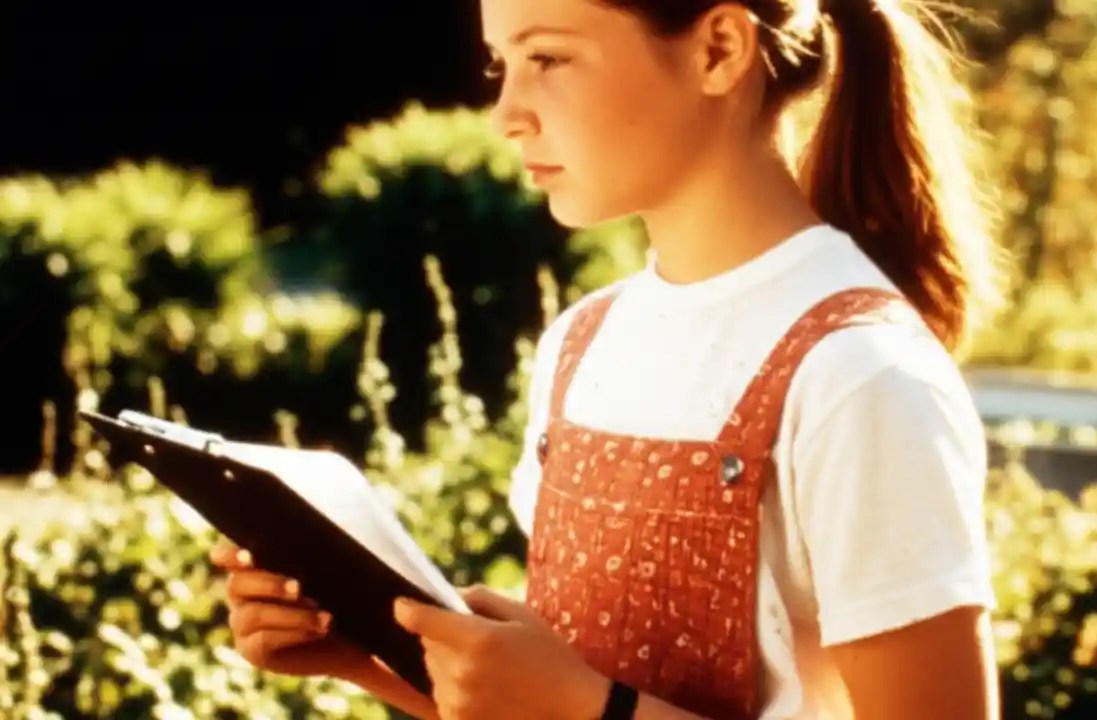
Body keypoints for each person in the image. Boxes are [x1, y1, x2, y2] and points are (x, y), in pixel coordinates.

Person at [210, 0, 1006, 717]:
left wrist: (593, 710)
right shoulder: (582, 344)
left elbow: (580, 706)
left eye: (548, 58)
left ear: (718, 49)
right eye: (501, 65)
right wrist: (359, 654)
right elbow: (547, 703)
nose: (507, 114)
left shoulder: (860, 375)